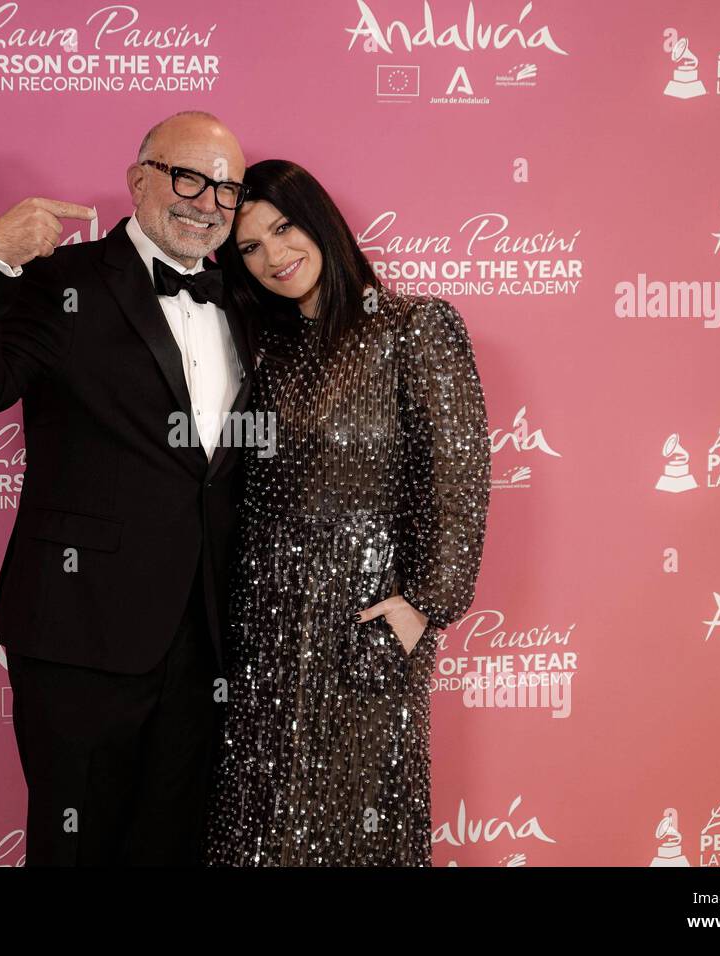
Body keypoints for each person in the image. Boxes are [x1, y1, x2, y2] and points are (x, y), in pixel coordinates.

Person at [0, 111, 255, 865]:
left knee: (172, 847)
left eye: (227, 189)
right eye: (189, 177)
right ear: (138, 179)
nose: (207, 202)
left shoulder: (248, 299)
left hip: (205, 634)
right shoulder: (61, 281)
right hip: (79, 633)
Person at [202, 159, 492, 866]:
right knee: (261, 822)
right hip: (261, 620)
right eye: (249, 247)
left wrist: (423, 605)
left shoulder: (413, 326)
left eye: (283, 227)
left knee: (358, 822)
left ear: (320, 219)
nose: (274, 255)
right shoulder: (258, 347)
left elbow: (458, 479)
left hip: (364, 618)